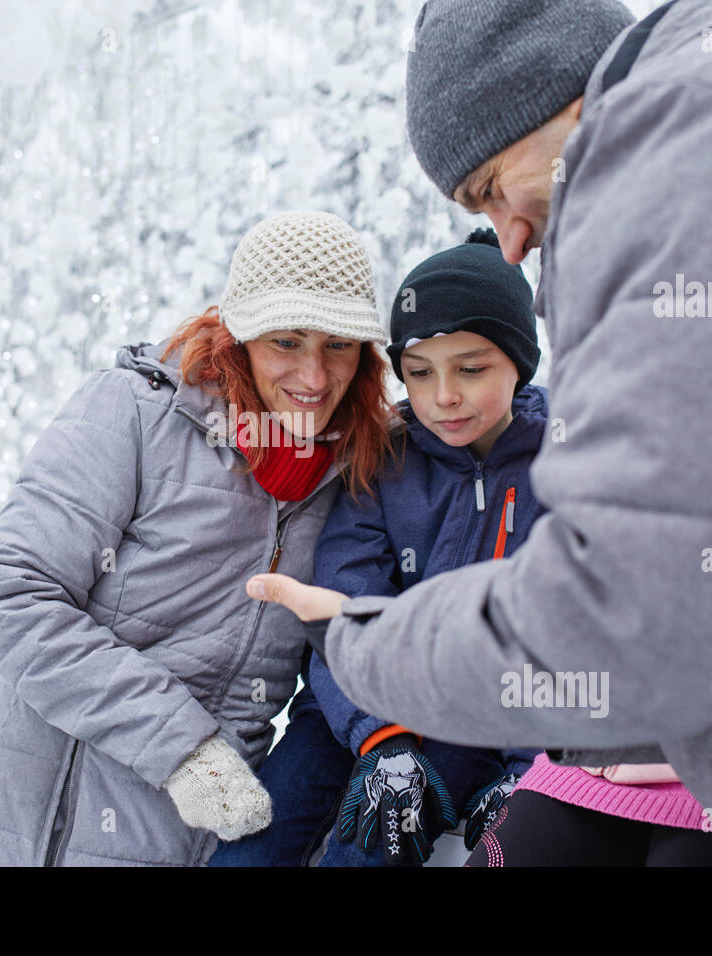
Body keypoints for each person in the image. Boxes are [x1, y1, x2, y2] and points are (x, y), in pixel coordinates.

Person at [247, 0, 712, 865]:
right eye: (420, 370)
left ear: (563, 103)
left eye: (491, 187)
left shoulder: (700, 156)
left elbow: (639, 608)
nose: (510, 242)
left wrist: (361, 636)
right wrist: (385, 727)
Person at [0, 209, 395, 866]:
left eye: (338, 346)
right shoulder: (137, 414)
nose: (315, 377)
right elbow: (8, 596)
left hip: (191, 847)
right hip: (40, 836)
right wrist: (183, 749)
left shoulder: (358, 479)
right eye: (287, 342)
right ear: (240, 334)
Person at [212, 229, 543, 867]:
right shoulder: (385, 454)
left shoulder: (564, 464)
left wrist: (526, 771)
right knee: (251, 847)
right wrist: (381, 738)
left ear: (520, 361)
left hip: (470, 723)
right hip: (346, 712)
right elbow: (342, 598)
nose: (443, 396)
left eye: (471, 369)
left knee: (371, 851)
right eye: (418, 374)